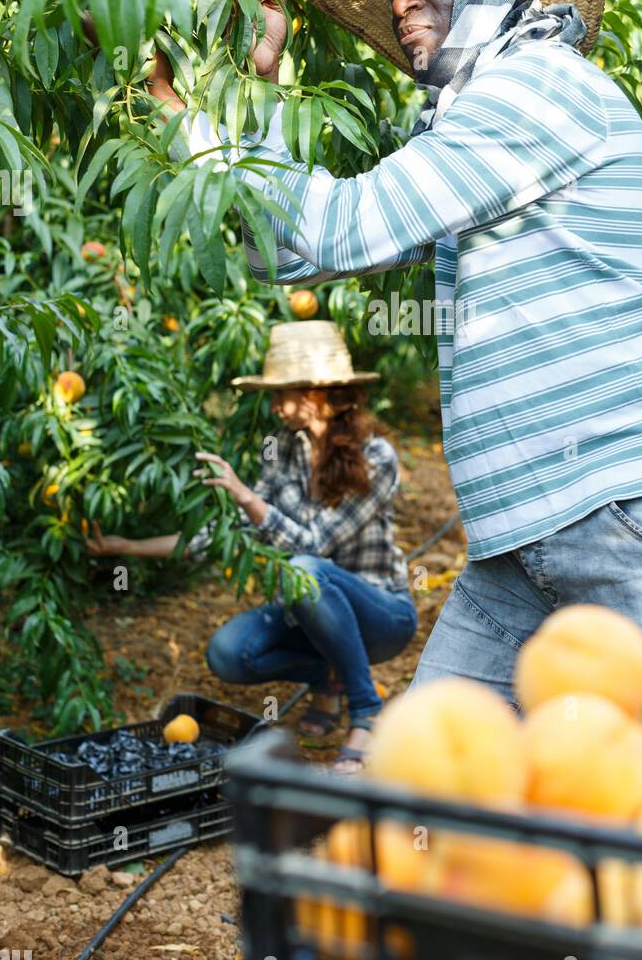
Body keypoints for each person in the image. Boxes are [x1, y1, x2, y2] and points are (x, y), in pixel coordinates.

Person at [148, 0, 642, 709]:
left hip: (636, 503)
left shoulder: (536, 88)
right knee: (433, 794)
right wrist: (245, 92)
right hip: (535, 529)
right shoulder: (474, 122)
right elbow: (288, 254)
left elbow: (339, 226)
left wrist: (186, 116)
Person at [86, 320, 417, 771]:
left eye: (284, 393)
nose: (276, 406)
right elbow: (227, 534)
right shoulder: (282, 449)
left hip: (382, 614)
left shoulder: (376, 456)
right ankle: (328, 677)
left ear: (319, 392)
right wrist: (125, 546)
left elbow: (315, 545)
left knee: (304, 570)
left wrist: (247, 496)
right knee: (228, 652)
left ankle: (366, 710)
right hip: (306, 614)